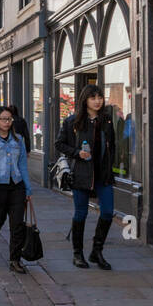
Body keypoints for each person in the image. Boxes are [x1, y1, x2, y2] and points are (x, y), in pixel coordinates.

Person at [56, 84, 118, 269]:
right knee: (81, 214)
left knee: (107, 211)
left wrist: (110, 165)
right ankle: (78, 253)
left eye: (99, 97)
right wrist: (77, 153)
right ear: (85, 100)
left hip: (103, 174)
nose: (97, 101)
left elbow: (112, 145)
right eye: (93, 98)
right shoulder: (72, 122)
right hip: (82, 174)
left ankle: (96, 251)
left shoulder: (107, 120)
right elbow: (59, 144)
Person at [0, 104, 33, 273]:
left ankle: (15, 260)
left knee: (17, 224)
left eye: (9, 119)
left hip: (16, 186)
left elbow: (23, 166)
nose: (7, 122)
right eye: (3, 119)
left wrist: (28, 190)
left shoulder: (18, 140)